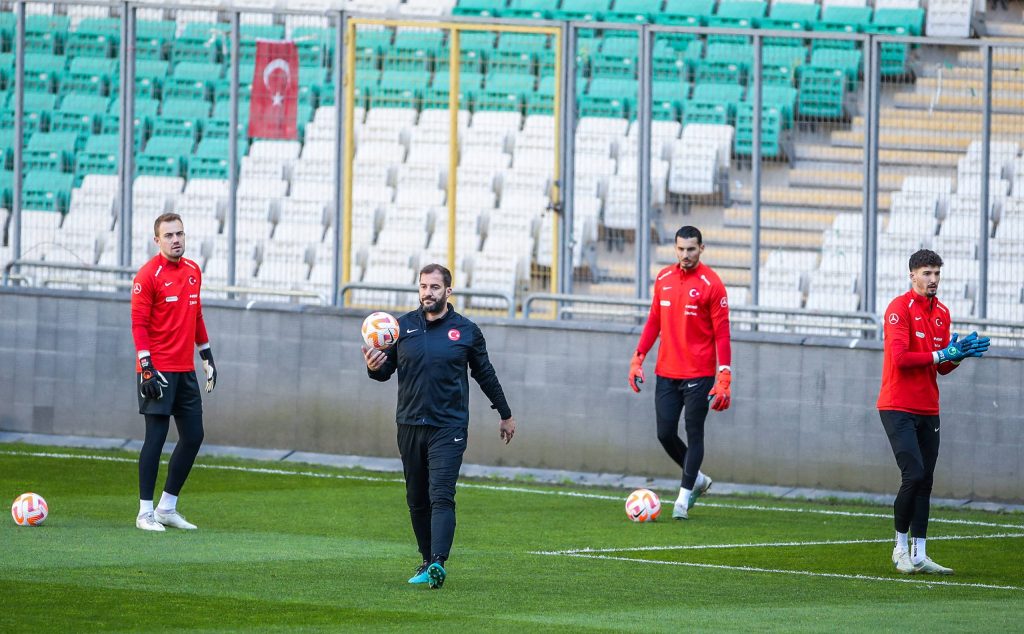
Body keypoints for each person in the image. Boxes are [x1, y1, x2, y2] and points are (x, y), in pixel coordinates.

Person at [363, 263, 516, 589]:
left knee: (441, 494)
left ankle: (438, 562)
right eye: (422, 287)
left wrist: (505, 413)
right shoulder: (399, 328)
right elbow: (384, 372)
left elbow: (484, 373)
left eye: (434, 287)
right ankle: (425, 560)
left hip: (449, 427)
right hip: (409, 424)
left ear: (448, 291)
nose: (427, 293)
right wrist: (372, 367)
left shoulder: (467, 330)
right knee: (416, 498)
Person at [878, 249, 989, 575]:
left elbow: (941, 368)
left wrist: (959, 355)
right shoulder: (898, 309)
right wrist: (944, 353)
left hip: (929, 407)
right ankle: (899, 548)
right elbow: (900, 358)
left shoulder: (941, 312)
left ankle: (920, 553)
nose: (933, 280)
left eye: (937, 274)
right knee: (912, 474)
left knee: (925, 480)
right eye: (927, 273)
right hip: (897, 405)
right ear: (912, 274)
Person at [628, 225, 732, 520]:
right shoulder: (663, 278)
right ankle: (698, 479)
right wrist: (638, 358)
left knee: (694, 431)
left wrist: (724, 376)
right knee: (664, 433)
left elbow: (722, 335)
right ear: (675, 249)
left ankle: (683, 499)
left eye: (691, 249)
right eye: (681, 249)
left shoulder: (712, 284)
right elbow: (653, 322)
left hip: (699, 374)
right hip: (667, 372)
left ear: (702, 248)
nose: (685, 254)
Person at [130, 212, 217, 532]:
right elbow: (138, 324)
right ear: (157, 240)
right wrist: (146, 368)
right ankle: (144, 513)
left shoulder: (194, 270)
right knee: (156, 437)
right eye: (169, 235)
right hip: (158, 371)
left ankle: (168, 507)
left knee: (194, 436)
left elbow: (196, 316)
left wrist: (206, 355)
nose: (176, 239)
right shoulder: (147, 276)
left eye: (180, 233)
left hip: (185, 370)